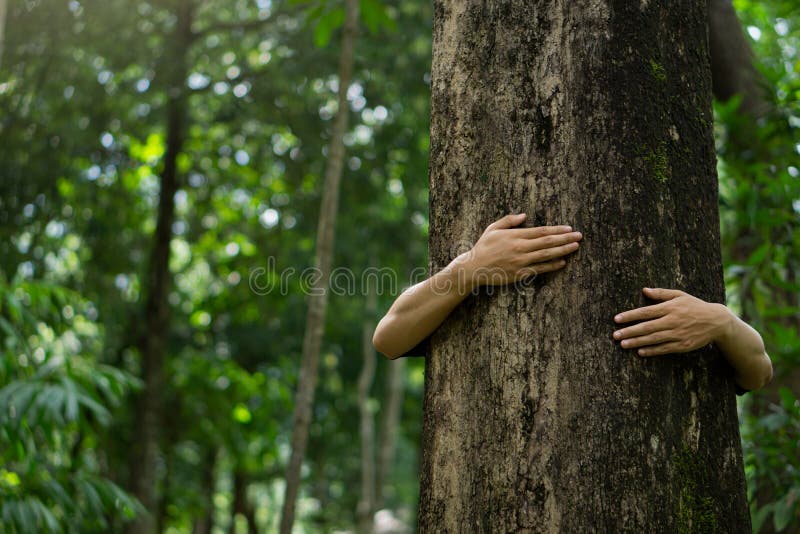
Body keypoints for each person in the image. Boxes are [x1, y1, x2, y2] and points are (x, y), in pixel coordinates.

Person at [372, 213, 773, 393]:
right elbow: (389, 337)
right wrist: (470, 267)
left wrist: (722, 321)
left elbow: (757, 373)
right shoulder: (471, 275)